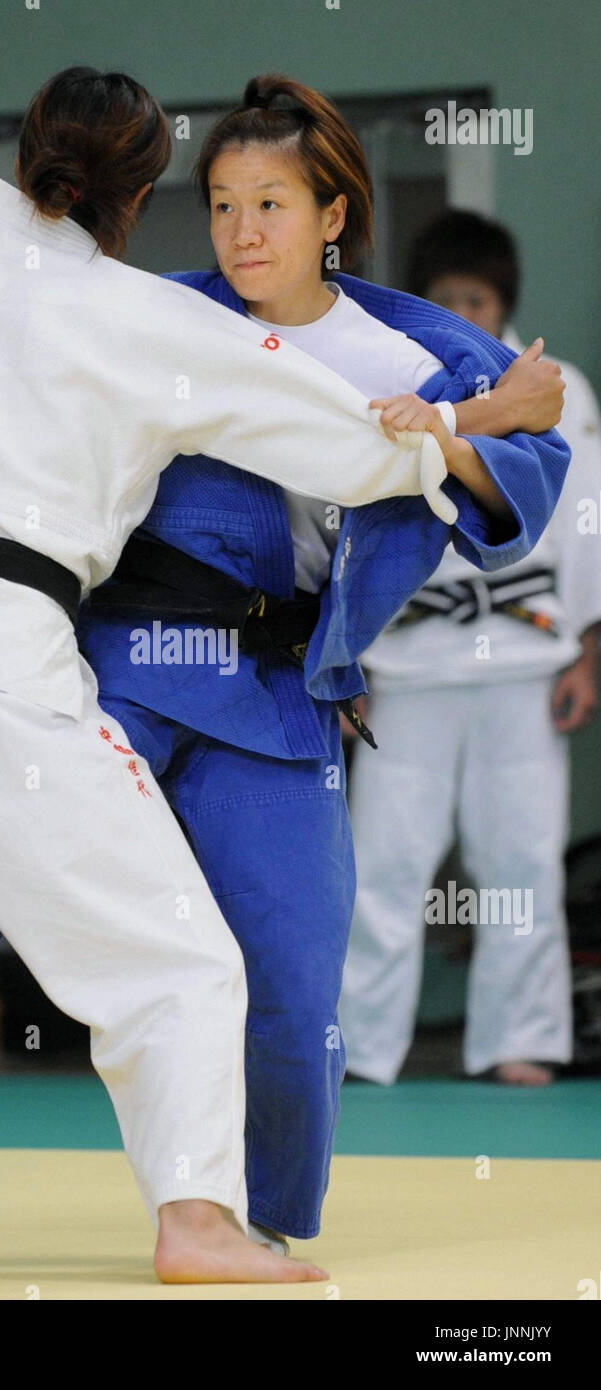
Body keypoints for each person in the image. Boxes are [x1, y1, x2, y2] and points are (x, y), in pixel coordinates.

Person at [0, 77, 568, 1257]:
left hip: (261, 681)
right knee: (16, 877)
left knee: (291, 991)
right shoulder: (159, 312)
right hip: (115, 651)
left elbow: (532, 455)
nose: (242, 230)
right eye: (217, 203)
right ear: (159, 200)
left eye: (269, 203)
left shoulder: (404, 342)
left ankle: (255, 1214)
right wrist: (463, 429)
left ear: (331, 216)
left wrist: (481, 419)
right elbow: (358, 446)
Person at [340, 209, 601, 1087]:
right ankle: (361, 1046)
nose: (465, 312)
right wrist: (347, 660)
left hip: (523, 663)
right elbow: (353, 532)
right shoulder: (391, 389)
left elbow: (586, 531)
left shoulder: (556, 387)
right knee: (381, 863)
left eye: (478, 299)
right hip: (408, 669)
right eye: (446, 298)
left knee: (519, 859)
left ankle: (517, 1039)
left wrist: (587, 649)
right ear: (424, 303)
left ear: (503, 303)